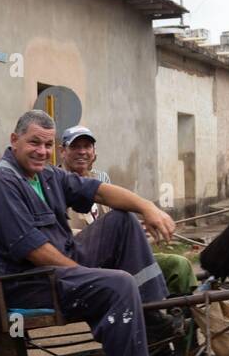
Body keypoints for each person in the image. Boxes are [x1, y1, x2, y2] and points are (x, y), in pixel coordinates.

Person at [0, 110, 210, 356]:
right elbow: (33, 250)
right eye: (34, 143)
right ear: (14, 140)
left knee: (124, 221)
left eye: (47, 145)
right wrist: (84, 274)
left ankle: (156, 334)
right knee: (118, 285)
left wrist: (147, 207)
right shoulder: (2, 181)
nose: (42, 151)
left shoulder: (45, 175)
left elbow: (98, 191)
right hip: (31, 281)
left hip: (62, 266)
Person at [60, 125, 197, 297]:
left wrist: (140, 232)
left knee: (179, 264)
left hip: (114, 257)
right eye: (75, 147)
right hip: (82, 264)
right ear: (62, 151)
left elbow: (115, 221)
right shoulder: (55, 184)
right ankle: (151, 312)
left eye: (86, 146)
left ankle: (179, 318)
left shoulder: (101, 181)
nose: (82, 152)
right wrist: (107, 236)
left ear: (94, 152)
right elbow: (57, 237)